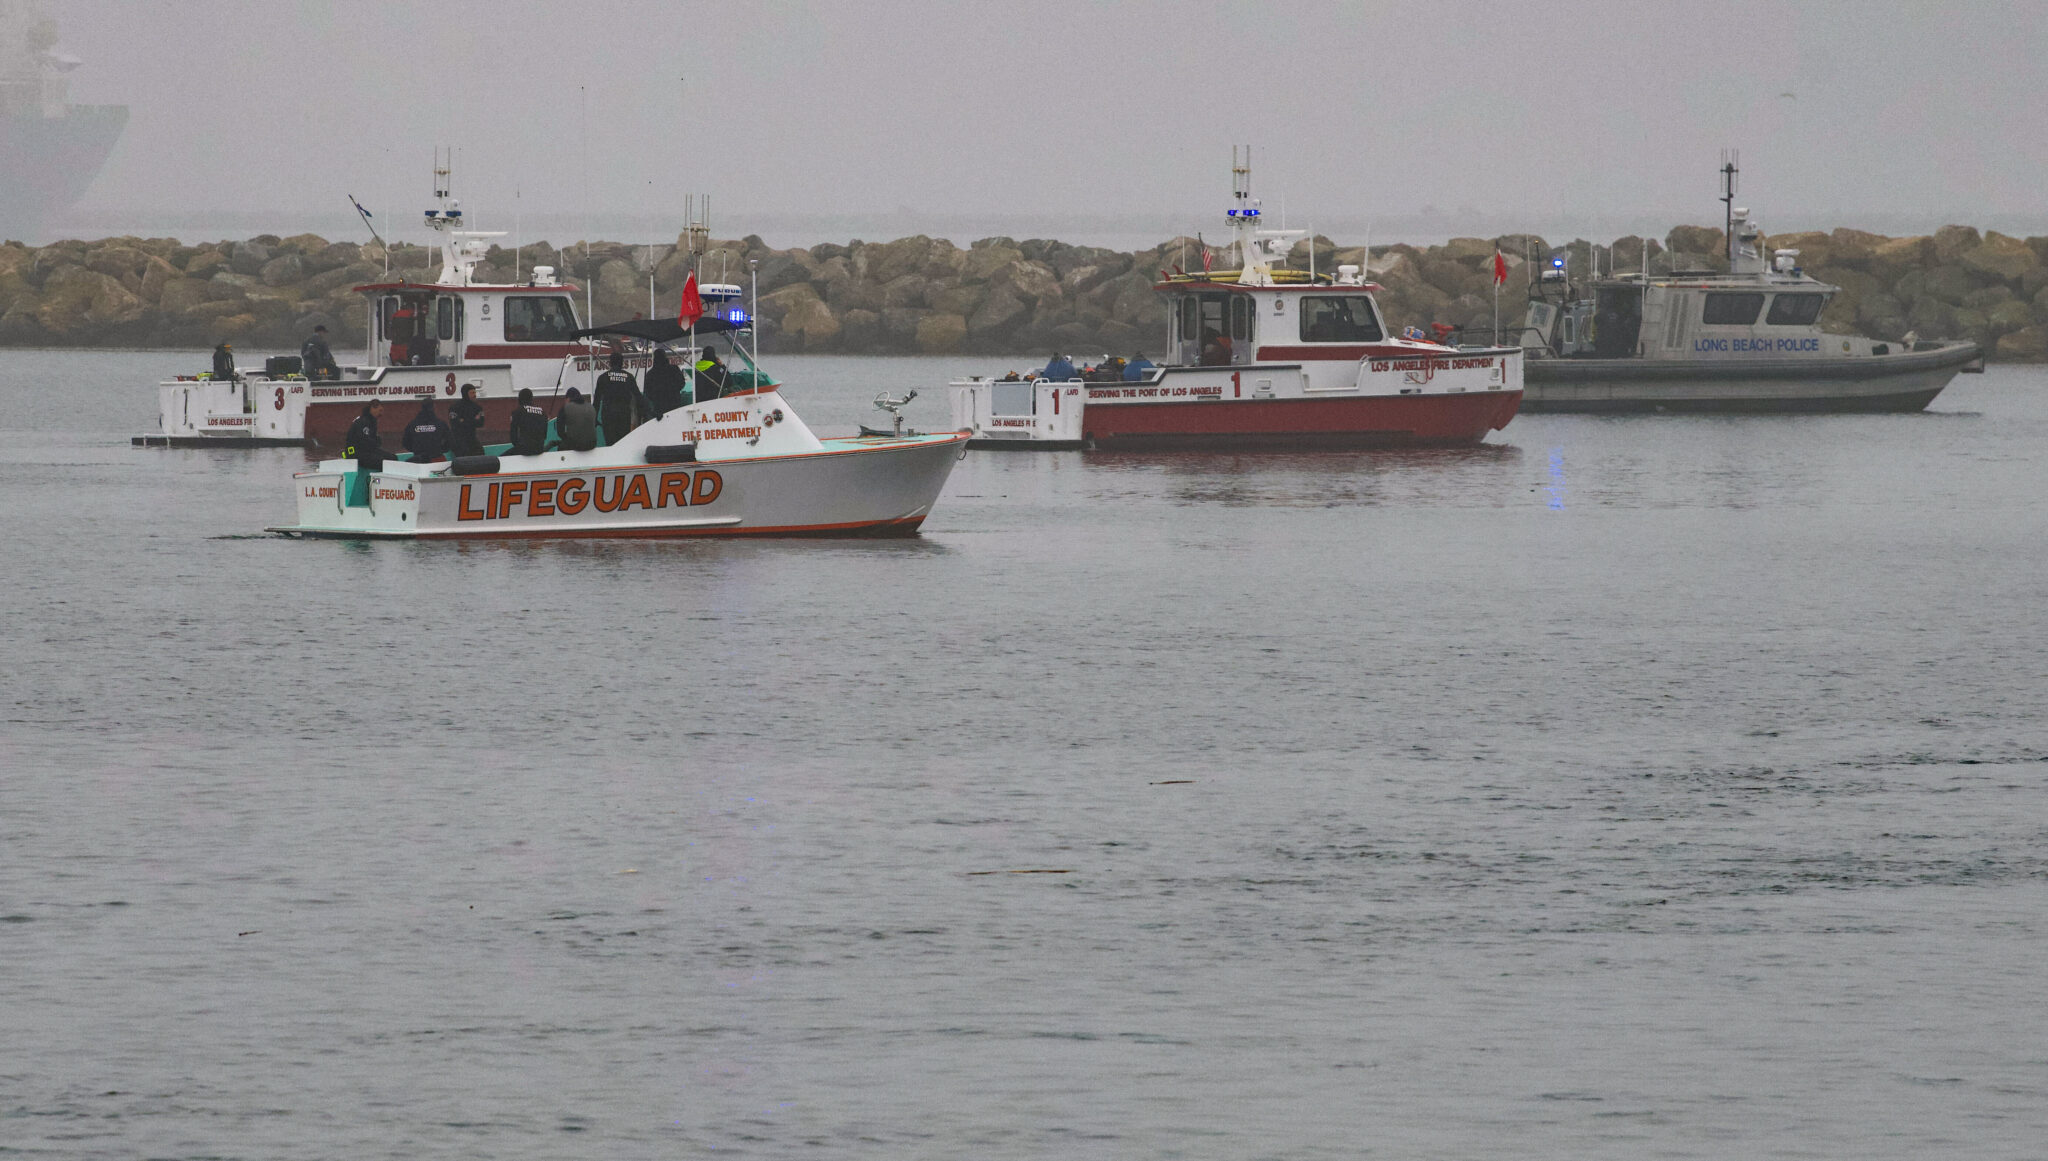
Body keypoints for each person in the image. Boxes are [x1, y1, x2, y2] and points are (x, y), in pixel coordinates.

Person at [593, 351, 645, 446]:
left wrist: (594, 419)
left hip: (608, 416)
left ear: (610, 363)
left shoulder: (603, 378)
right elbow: (638, 397)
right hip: (623, 415)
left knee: (610, 444)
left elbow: (596, 401)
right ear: (622, 363)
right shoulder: (629, 377)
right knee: (622, 444)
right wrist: (647, 413)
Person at [401, 397, 449, 463]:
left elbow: (405, 442)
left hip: (419, 460)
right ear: (434, 407)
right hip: (437, 459)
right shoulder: (441, 424)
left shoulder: (412, 424)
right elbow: (450, 441)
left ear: (422, 407)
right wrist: (440, 450)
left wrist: (417, 450)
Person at [644, 348, 689, 417]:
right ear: (665, 356)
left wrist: (656, 398)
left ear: (654, 358)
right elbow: (682, 383)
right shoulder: (674, 369)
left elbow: (647, 392)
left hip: (659, 408)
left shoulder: (650, 374)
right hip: (674, 403)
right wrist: (674, 391)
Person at [342, 401, 385, 470]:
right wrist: (376, 443)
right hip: (355, 455)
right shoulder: (363, 422)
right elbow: (364, 441)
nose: (381, 413)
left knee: (392, 457)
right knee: (384, 462)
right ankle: (378, 480)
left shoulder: (371, 421)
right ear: (372, 409)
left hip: (364, 451)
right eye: (380, 410)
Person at [508, 388, 549, 456]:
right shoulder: (542, 412)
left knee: (502, 459)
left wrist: (519, 446)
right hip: (539, 449)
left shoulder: (518, 411)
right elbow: (544, 435)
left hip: (524, 449)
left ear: (520, 399)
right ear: (531, 398)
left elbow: (513, 435)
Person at [448, 383, 486, 457]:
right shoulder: (455, 407)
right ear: (465, 394)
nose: (475, 395)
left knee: (481, 454)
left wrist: (463, 420)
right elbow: (455, 423)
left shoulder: (477, 407)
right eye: (472, 393)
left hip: (472, 438)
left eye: (475, 392)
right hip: (458, 439)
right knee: (464, 454)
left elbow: (481, 423)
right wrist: (473, 420)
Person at [556, 386, 598, 451]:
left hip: (575, 445)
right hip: (592, 444)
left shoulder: (565, 408)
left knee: (561, 447)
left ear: (568, 399)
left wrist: (567, 438)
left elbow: (560, 432)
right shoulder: (591, 407)